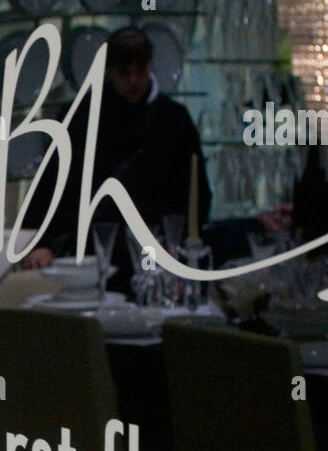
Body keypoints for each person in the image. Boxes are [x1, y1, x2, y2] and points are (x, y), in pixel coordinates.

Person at [19, 27, 211, 291]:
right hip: (88, 250)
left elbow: (194, 195)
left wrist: (182, 253)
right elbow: (53, 184)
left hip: (156, 252)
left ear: (150, 67)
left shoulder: (174, 120)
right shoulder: (81, 116)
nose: (133, 81)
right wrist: (42, 242)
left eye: (140, 71)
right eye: (124, 72)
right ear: (110, 70)